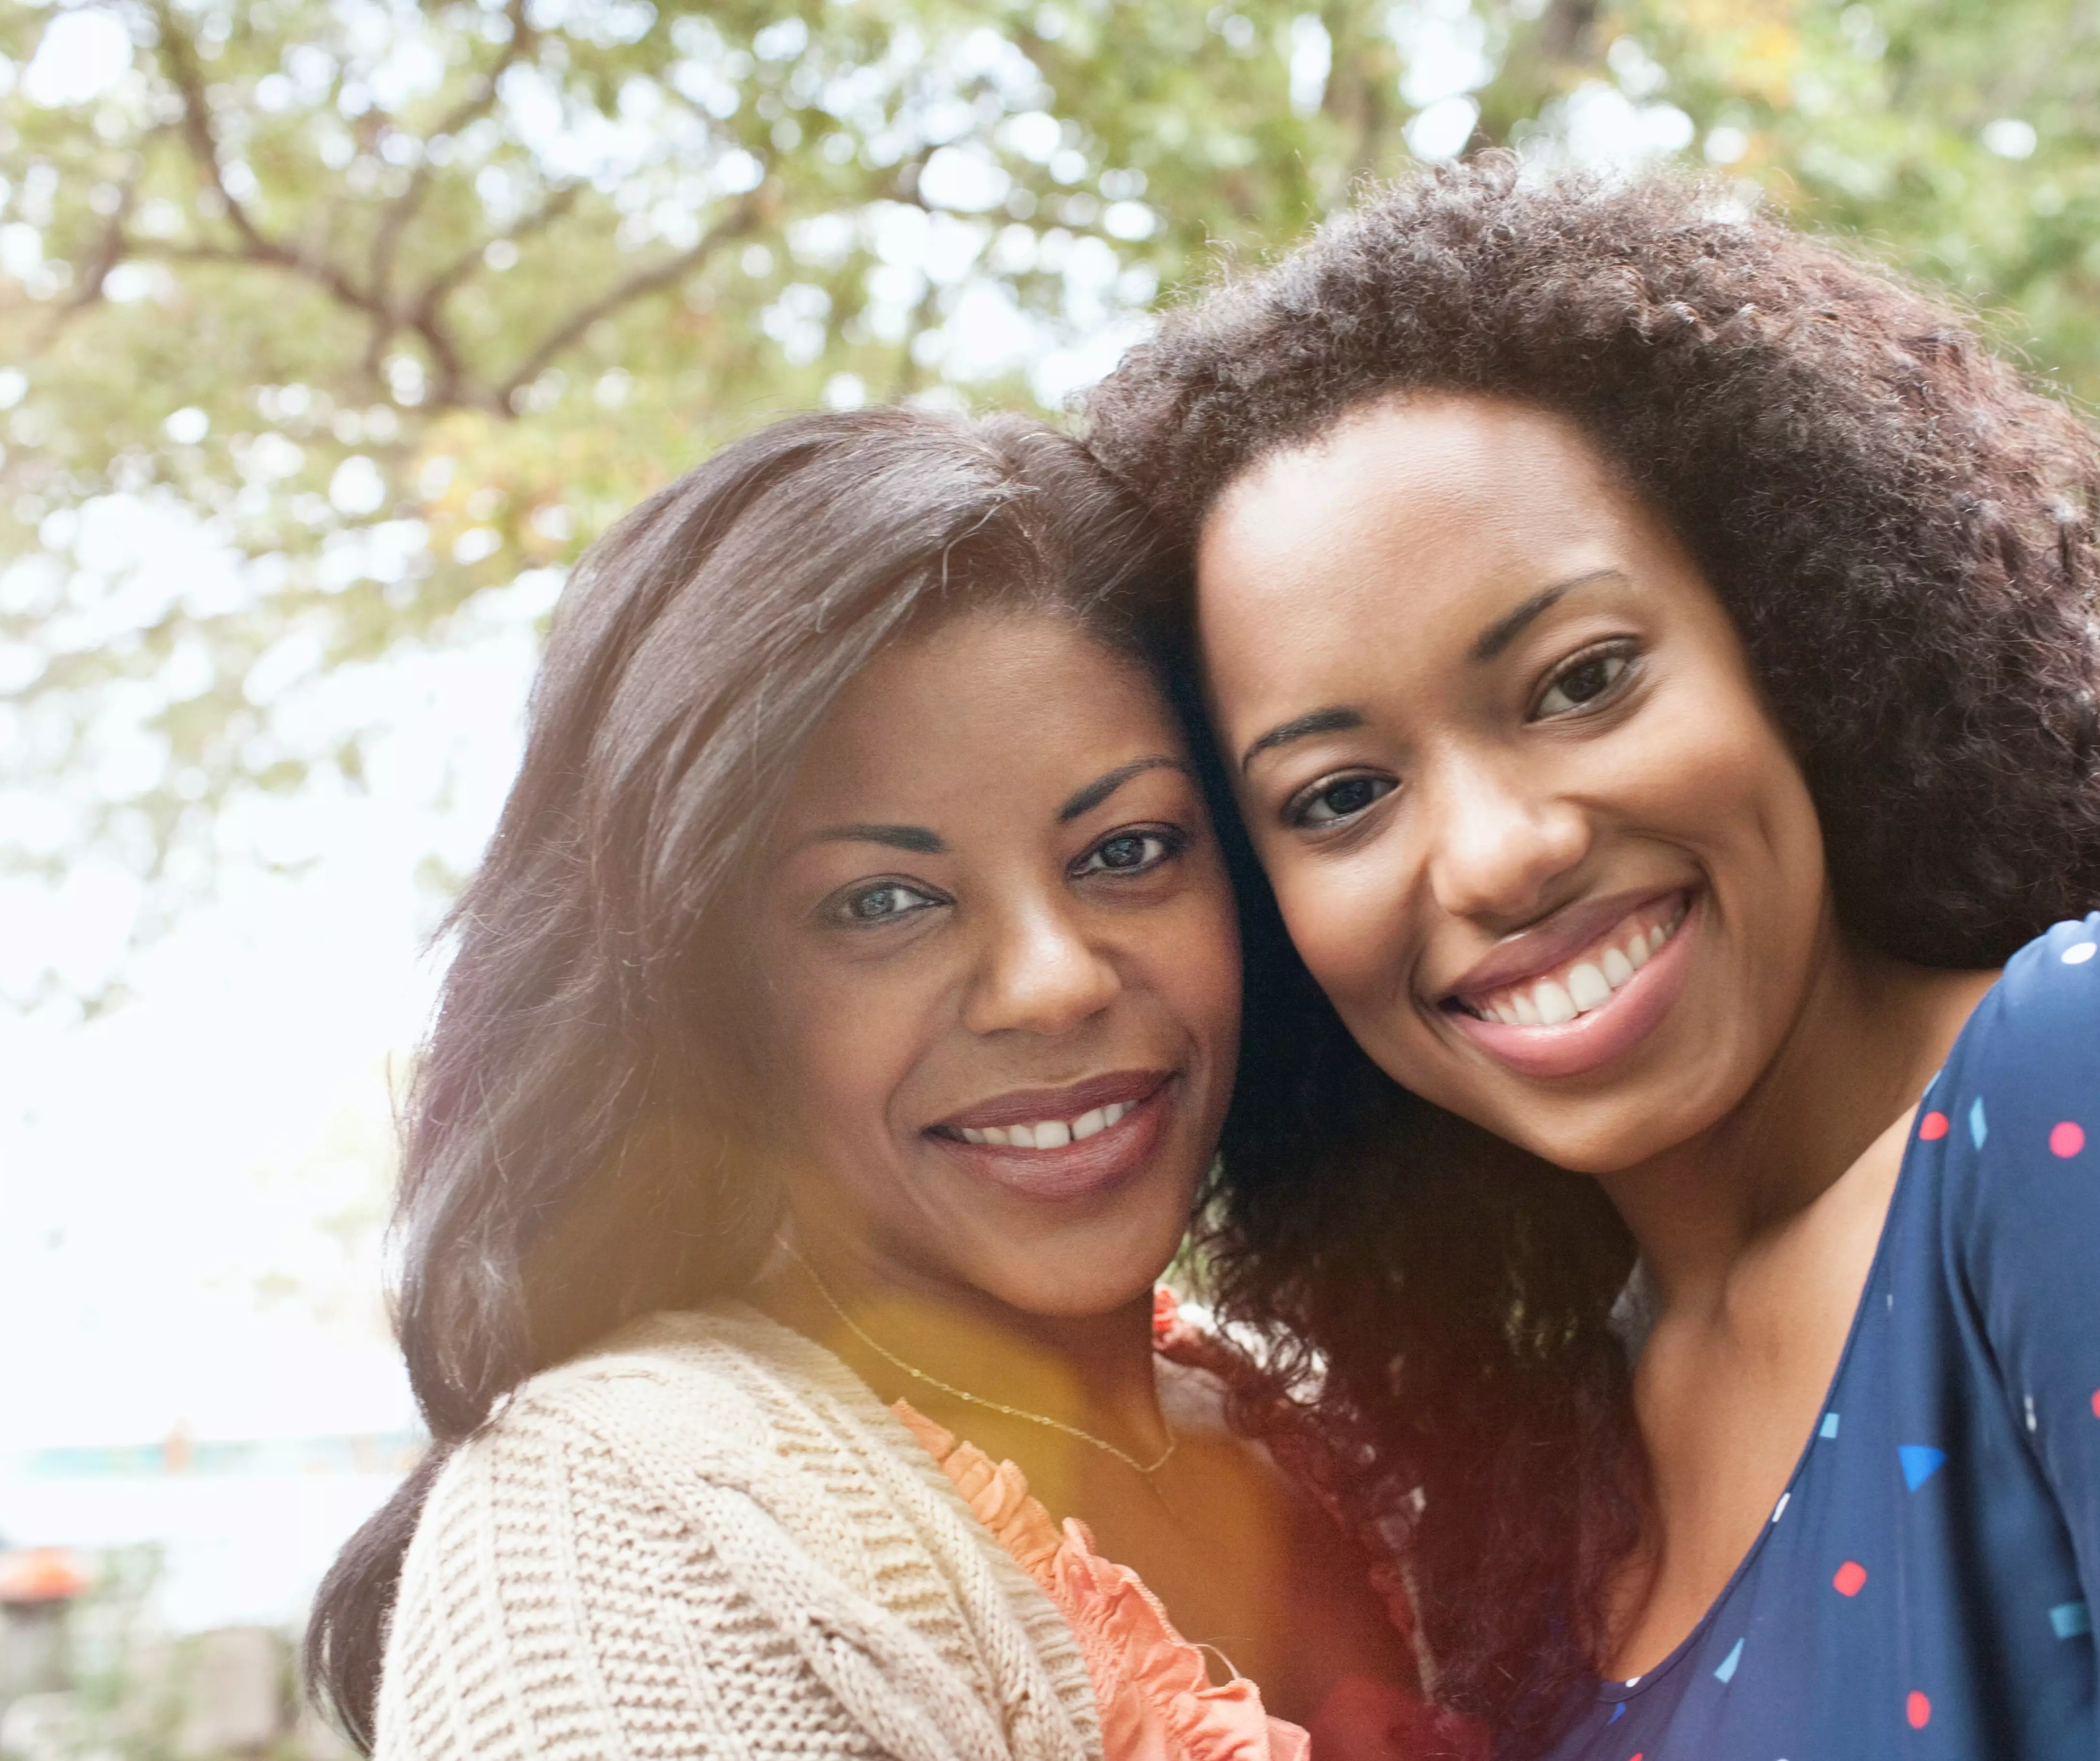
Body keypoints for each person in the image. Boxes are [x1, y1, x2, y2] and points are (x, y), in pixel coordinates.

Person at [1082, 160, 2100, 1761]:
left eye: (1580, 680)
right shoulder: (1520, 1503)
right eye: (1344, 798)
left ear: (1794, 635)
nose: (1504, 853)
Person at [301, 409, 1429, 1761]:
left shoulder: (1316, 1421)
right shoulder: (630, 1516)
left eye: (1127, 851)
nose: (1052, 983)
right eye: (883, 902)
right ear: (706, 996)